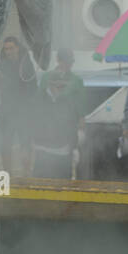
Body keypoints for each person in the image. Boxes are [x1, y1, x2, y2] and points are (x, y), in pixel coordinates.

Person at [35, 48, 85, 179]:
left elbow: (80, 110)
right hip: (44, 139)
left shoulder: (77, 81)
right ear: (58, 60)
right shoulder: (46, 77)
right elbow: (38, 103)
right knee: (42, 177)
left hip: (65, 138)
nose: (68, 65)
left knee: (63, 175)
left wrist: (79, 134)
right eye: (65, 61)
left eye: (70, 62)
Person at [0, 36, 37, 172]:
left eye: (11, 48)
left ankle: (27, 174)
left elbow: (33, 89)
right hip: (7, 112)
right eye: (6, 49)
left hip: (24, 112)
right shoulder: (1, 65)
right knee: (5, 145)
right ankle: (7, 175)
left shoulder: (27, 65)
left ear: (17, 48)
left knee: (25, 144)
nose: (9, 51)